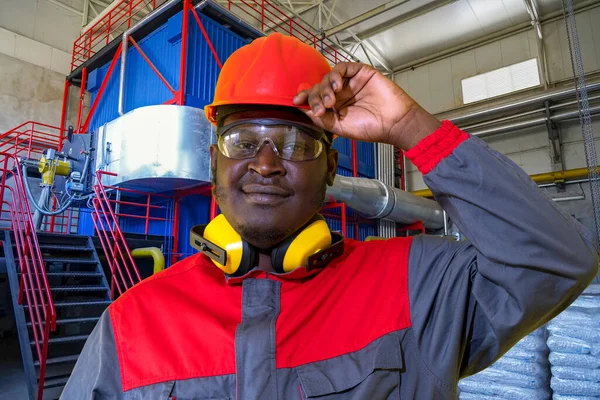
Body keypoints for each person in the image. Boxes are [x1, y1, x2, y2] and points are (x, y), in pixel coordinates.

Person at [61, 32, 598, 399]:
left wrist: (410, 125)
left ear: (330, 170)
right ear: (214, 161)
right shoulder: (131, 325)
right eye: (243, 139)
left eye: (296, 142)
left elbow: (557, 259)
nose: (266, 164)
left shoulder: (418, 285)